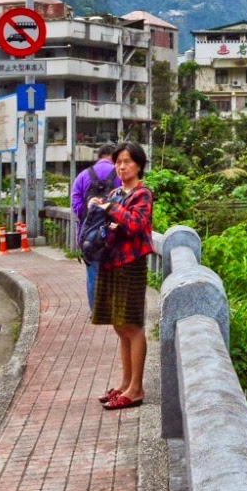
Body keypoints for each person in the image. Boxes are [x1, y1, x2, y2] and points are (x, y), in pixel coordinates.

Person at [91, 140, 154, 410]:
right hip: (112, 262)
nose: (122, 167)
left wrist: (109, 208)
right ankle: (125, 383)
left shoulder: (143, 194)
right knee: (119, 325)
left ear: (139, 165)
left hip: (131, 263)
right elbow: (110, 224)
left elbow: (135, 224)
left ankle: (136, 389)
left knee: (132, 325)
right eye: (118, 162)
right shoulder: (116, 193)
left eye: (127, 161)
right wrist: (100, 207)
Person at [71, 144, 119, 307]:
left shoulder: (82, 176)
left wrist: (90, 211)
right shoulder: (120, 174)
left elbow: (76, 207)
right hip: (114, 234)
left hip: (89, 237)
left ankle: (95, 311)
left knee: (93, 275)